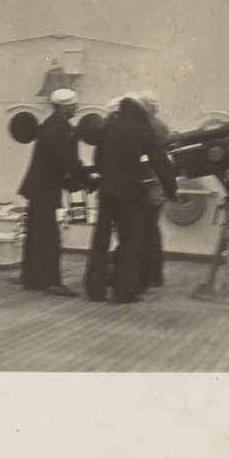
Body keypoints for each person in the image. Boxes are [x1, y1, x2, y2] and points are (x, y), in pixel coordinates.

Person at [84, 94, 177, 303]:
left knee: (100, 240)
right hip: (130, 195)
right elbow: (160, 160)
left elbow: (97, 159)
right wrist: (171, 190)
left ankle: (94, 289)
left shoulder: (109, 126)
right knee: (129, 242)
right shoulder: (142, 127)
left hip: (107, 193)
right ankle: (124, 291)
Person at [17, 88, 88, 297]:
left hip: (37, 187)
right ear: (65, 107)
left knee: (34, 234)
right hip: (46, 188)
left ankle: (30, 278)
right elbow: (67, 161)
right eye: (74, 105)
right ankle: (52, 282)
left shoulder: (50, 124)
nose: (77, 108)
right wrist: (86, 178)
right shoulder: (61, 129)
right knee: (49, 235)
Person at [134, 90, 171, 289]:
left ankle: (145, 274)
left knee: (142, 229)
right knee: (152, 229)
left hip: (146, 184)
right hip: (158, 184)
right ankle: (155, 275)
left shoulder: (145, 127)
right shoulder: (162, 126)